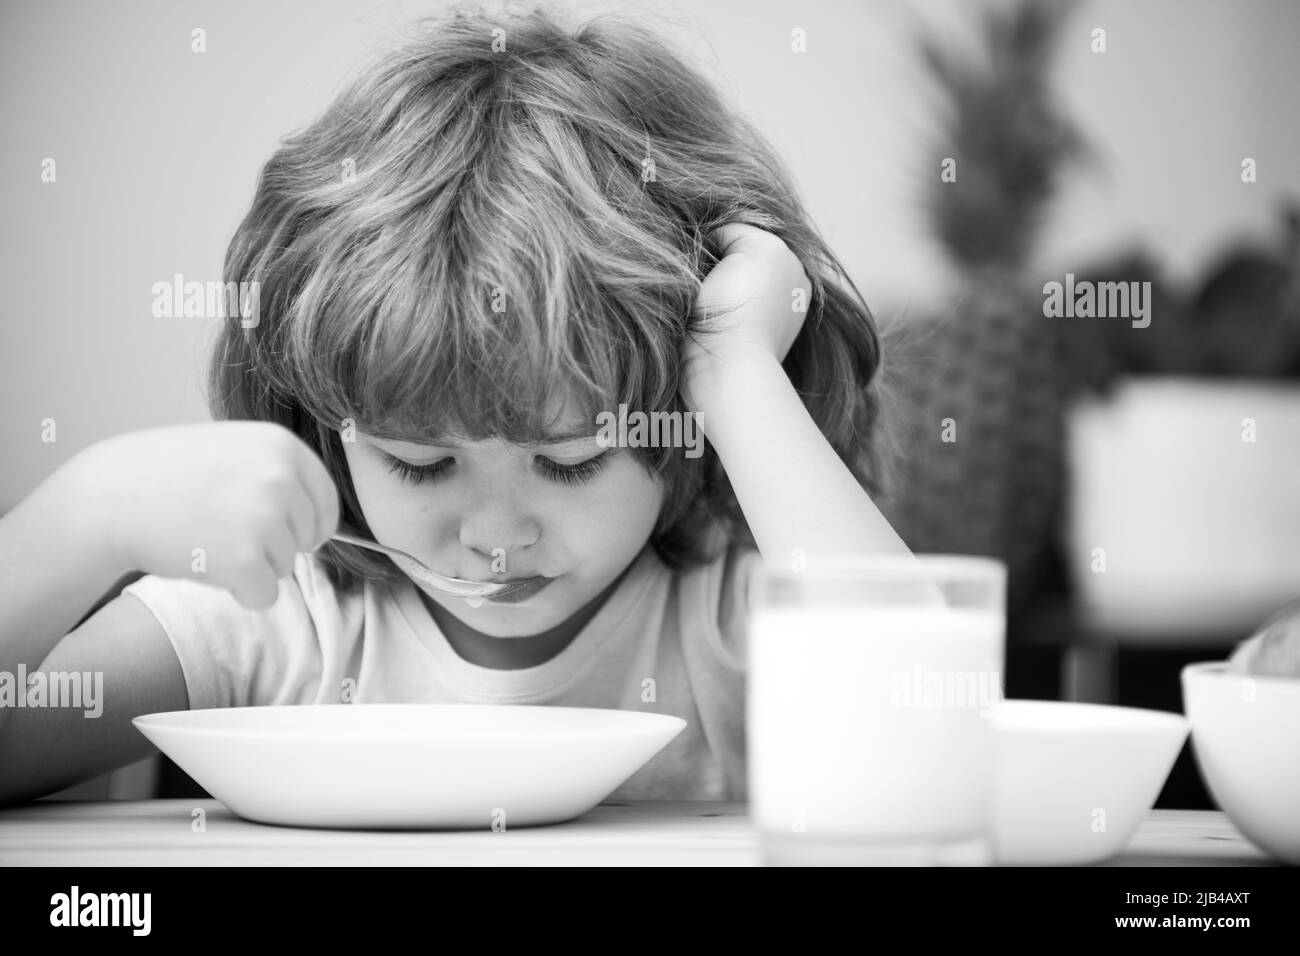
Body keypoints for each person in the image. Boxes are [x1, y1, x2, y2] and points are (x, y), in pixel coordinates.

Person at [0, 3, 913, 805]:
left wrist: (734, 371)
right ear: (326, 426)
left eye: (572, 460)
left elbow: (927, 728)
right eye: (419, 462)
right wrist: (86, 516)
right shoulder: (278, 622)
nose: (496, 538)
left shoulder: (729, 625)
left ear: (688, 434)